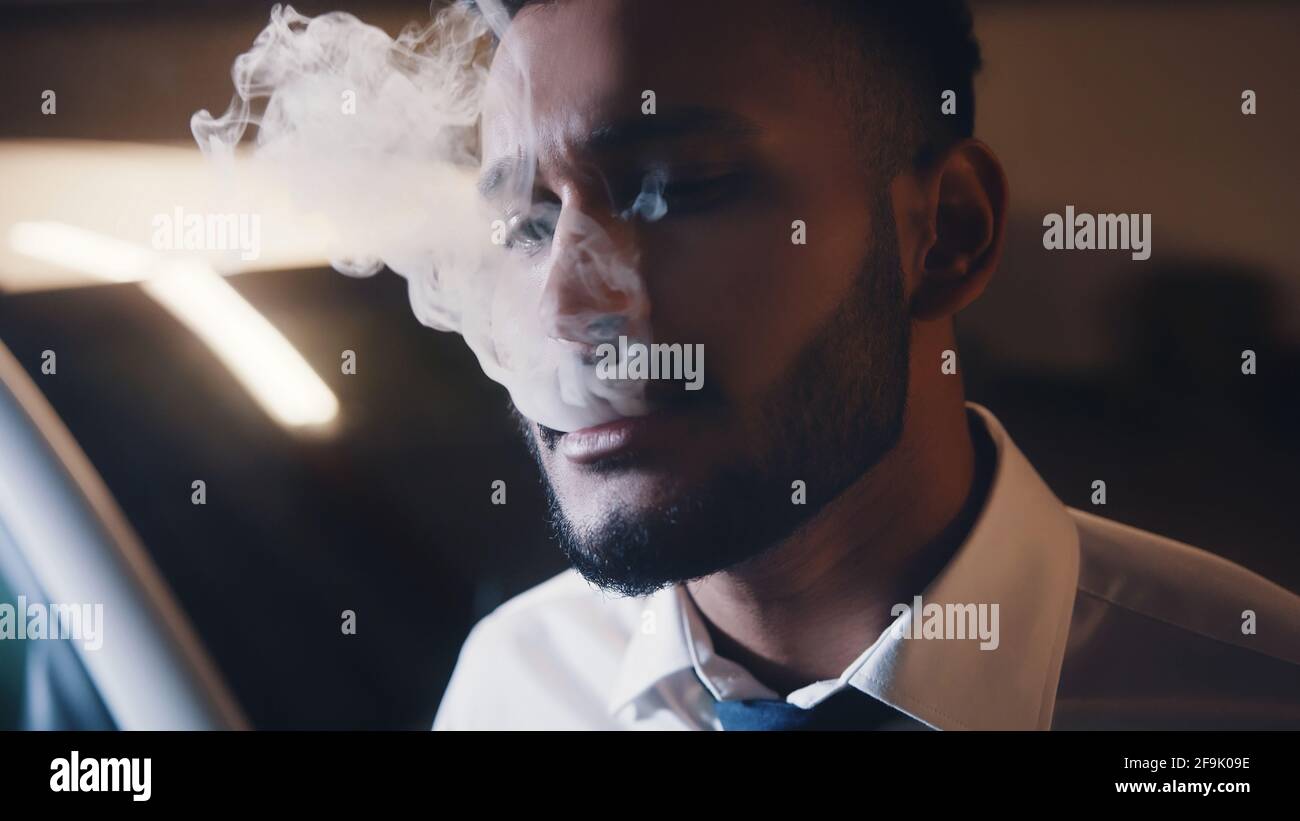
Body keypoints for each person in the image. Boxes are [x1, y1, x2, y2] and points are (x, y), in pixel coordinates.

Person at [434, 0, 1300, 730]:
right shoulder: (512, 688)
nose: (565, 311)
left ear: (948, 233)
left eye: (681, 189)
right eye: (527, 227)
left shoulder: (1251, 696)